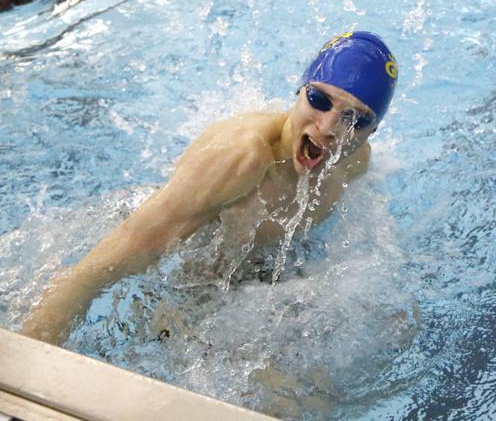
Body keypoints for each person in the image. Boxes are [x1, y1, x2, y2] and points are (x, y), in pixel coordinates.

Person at [21, 32, 399, 345]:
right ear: (299, 91)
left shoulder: (355, 161)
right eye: (319, 100)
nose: (329, 128)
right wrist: (38, 340)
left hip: (257, 276)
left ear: (372, 131)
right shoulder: (242, 159)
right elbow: (116, 256)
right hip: (185, 273)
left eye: (354, 119)